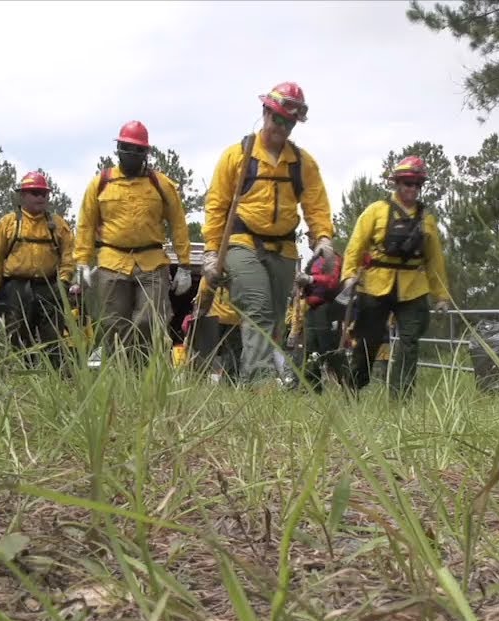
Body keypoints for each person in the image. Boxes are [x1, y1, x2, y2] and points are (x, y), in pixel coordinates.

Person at [202, 82, 334, 387]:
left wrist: (323, 238)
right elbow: (217, 206)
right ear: (265, 113)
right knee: (258, 308)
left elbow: (316, 204)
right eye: (277, 119)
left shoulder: (302, 163)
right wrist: (210, 252)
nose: (282, 128)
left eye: (289, 123)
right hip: (241, 243)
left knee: (273, 323)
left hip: (284, 250)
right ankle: (258, 385)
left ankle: (243, 380)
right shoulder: (237, 156)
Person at [73, 121, 192, 365]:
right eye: (127, 148)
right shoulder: (101, 183)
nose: (132, 154)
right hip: (111, 262)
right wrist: (82, 262)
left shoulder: (161, 184)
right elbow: (85, 222)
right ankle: (118, 375)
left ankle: (146, 372)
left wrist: (185, 265)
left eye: (138, 150)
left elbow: (178, 223)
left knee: (151, 320)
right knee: (112, 323)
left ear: (146, 153)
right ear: (118, 149)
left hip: (152, 262)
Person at [341, 156, 453, 399]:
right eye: (407, 183)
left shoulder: (427, 221)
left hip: (413, 287)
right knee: (368, 341)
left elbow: (435, 261)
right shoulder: (376, 211)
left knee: (410, 341)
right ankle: (354, 388)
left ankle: (401, 396)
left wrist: (442, 295)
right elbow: (356, 245)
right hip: (374, 285)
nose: (412, 189)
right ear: (397, 183)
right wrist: (349, 276)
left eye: (417, 184)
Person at [0, 171, 77, 368]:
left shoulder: (57, 225)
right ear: (22, 195)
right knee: (17, 334)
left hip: (49, 287)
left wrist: (65, 281)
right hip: (15, 288)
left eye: (44, 193)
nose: (40, 197)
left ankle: (55, 379)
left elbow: (69, 255)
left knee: (52, 337)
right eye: (35, 193)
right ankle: (21, 377)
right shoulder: (8, 223)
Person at [295, 246, 346, 392]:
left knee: (331, 350)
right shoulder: (314, 261)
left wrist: (311, 279)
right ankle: (311, 390)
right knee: (310, 350)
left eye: (312, 236)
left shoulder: (333, 258)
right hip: (312, 309)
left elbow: (333, 281)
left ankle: (349, 387)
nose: (311, 239)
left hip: (328, 309)